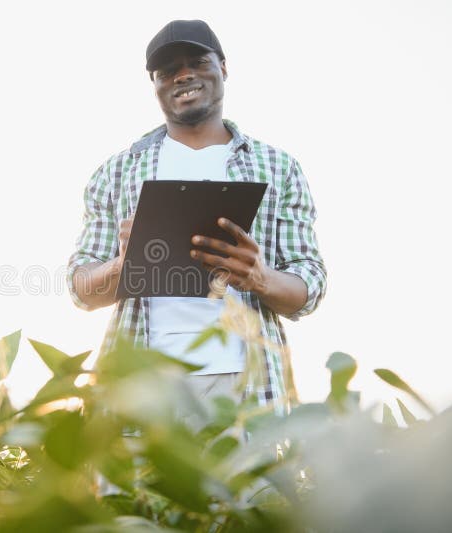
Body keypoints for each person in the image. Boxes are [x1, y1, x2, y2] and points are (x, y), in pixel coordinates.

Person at [67, 20, 326, 411]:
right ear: (154, 85)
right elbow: (81, 288)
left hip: (246, 386)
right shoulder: (115, 173)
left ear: (223, 67)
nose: (183, 74)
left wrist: (259, 276)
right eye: (167, 70)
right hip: (141, 386)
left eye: (197, 62)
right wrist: (124, 264)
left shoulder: (278, 167)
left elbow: (310, 283)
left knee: (246, 475)